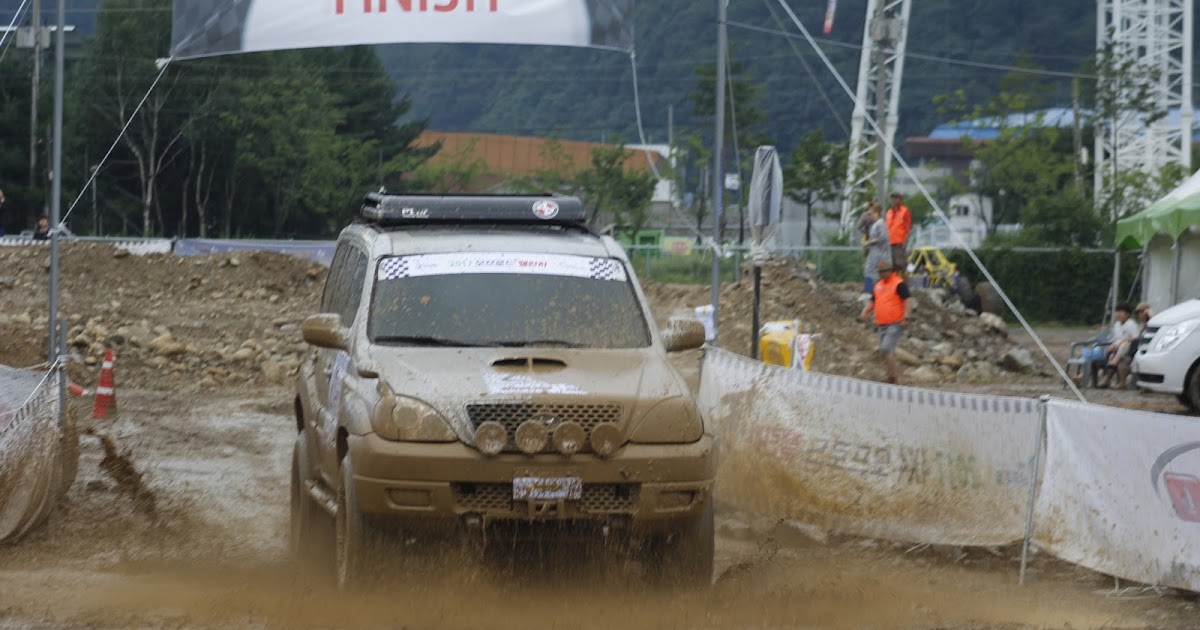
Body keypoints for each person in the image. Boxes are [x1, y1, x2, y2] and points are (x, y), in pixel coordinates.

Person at [859, 260, 912, 385]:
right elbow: (873, 301)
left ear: (890, 271)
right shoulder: (878, 285)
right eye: (880, 272)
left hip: (895, 323)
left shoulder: (898, 283)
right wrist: (864, 312)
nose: (881, 274)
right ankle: (890, 376)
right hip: (881, 323)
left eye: (884, 271)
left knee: (886, 348)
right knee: (886, 352)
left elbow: (908, 300)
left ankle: (893, 377)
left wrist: (907, 318)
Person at [1100, 302, 1141, 388]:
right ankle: (1107, 379)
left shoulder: (1131, 324)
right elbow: (1116, 338)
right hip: (1119, 349)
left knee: (1123, 345)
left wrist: (1124, 341)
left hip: (1129, 348)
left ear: (1127, 314)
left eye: (1121, 312)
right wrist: (1113, 344)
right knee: (1111, 356)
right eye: (1117, 312)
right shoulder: (1117, 325)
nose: (1118, 314)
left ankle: (1116, 378)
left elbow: (1136, 337)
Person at [860, 204, 889, 298]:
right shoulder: (875, 224)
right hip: (874, 253)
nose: (869, 216)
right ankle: (870, 292)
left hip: (880, 254)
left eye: (871, 214)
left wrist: (869, 242)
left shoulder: (880, 223)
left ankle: (874, 293)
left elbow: (883, 237)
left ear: (876, 213)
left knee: (877, 273)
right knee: (869, 271)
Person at [885, 192, 912, 273]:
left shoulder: (904, 211)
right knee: (891, 266)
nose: (893, 201)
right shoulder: (889, 212)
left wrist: (905, 242)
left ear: (900, 200)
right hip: (889, 243)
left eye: (895, 198)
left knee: (901, 265)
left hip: (899, 243)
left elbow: (908, 228)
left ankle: (904, 280)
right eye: (892, 199)